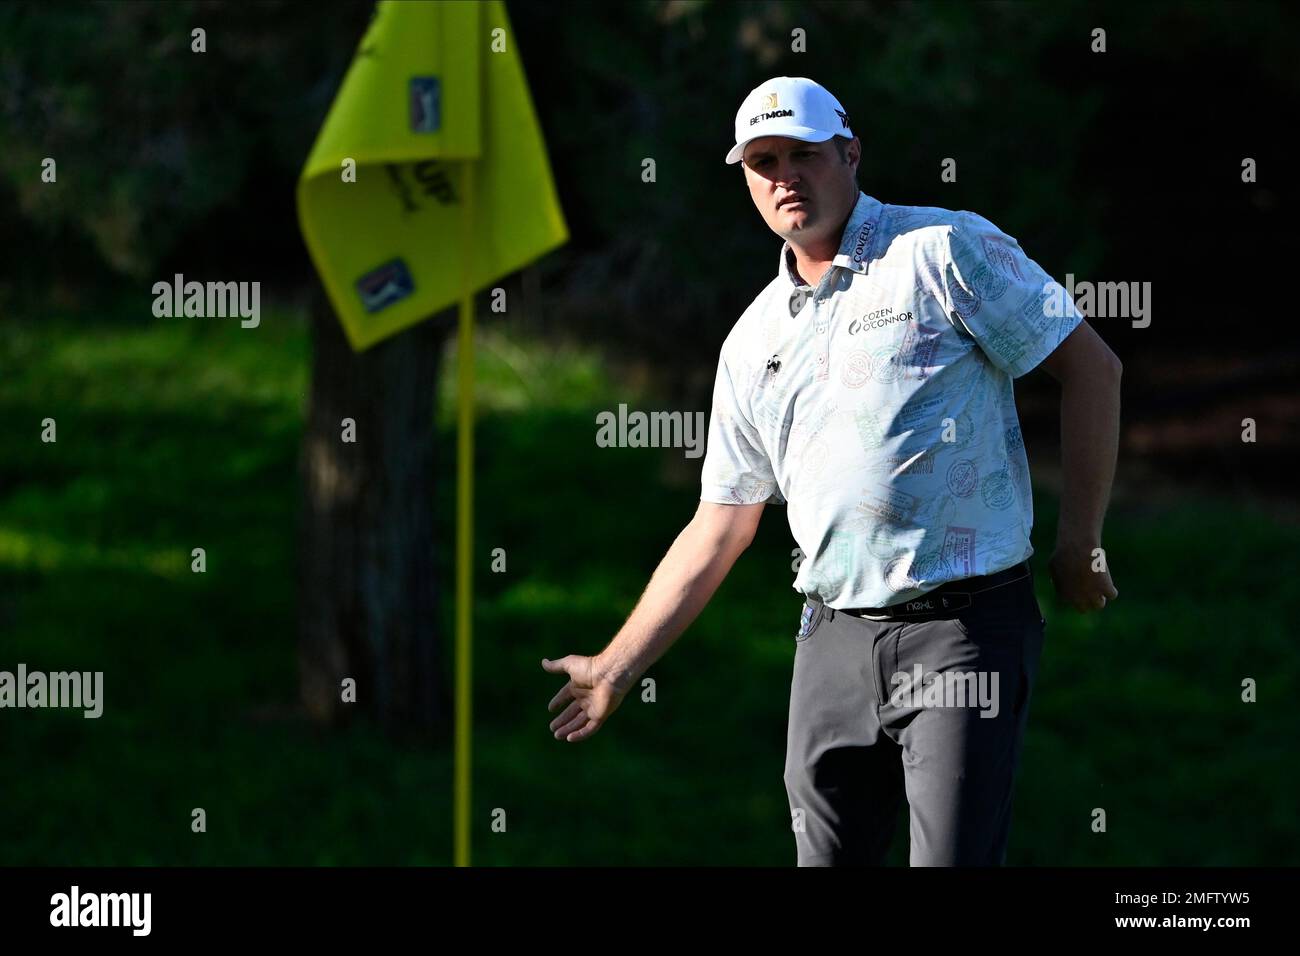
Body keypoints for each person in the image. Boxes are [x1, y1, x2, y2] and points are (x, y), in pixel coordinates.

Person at [542, 76, 1121, 866]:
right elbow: (722, 524)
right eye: (763, 161)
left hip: (962, 628)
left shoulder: (943, 250)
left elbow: (1092, 370)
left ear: (850, 153)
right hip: (831, 640)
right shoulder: (749, 342)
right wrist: (617, 664)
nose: (784, 176)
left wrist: (1079, 542)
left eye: (803, 155)